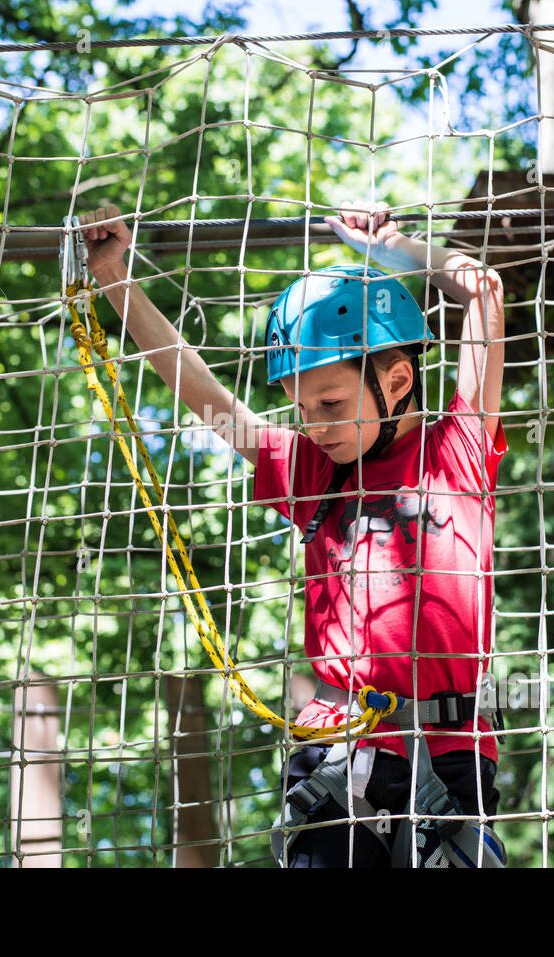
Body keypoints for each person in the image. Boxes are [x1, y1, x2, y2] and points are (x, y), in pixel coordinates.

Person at [79, 200, 507, 867]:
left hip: (450, 752)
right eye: (302, 409)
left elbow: (483, 290)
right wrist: (115, 280)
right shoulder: (310, 468)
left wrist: (393, 248)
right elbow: (205, 396)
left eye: (331, 404)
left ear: (397, 380)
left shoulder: (458, 448)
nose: (316, 425)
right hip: (333, 751)